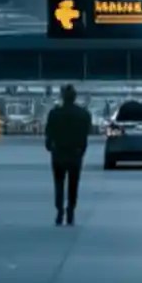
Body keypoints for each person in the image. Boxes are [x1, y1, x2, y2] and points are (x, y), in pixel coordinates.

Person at [45, 84, 92, 226]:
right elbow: (86, 133)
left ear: (63, 97)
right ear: (75, 97)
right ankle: (71, 209)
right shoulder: (83, 114)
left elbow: (49, 133)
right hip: (75, 154)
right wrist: (81, 149)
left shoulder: (54, 113)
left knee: (59, 183)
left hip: (59, 153)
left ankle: (59, 209)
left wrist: (50, 146)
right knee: (73, 183)